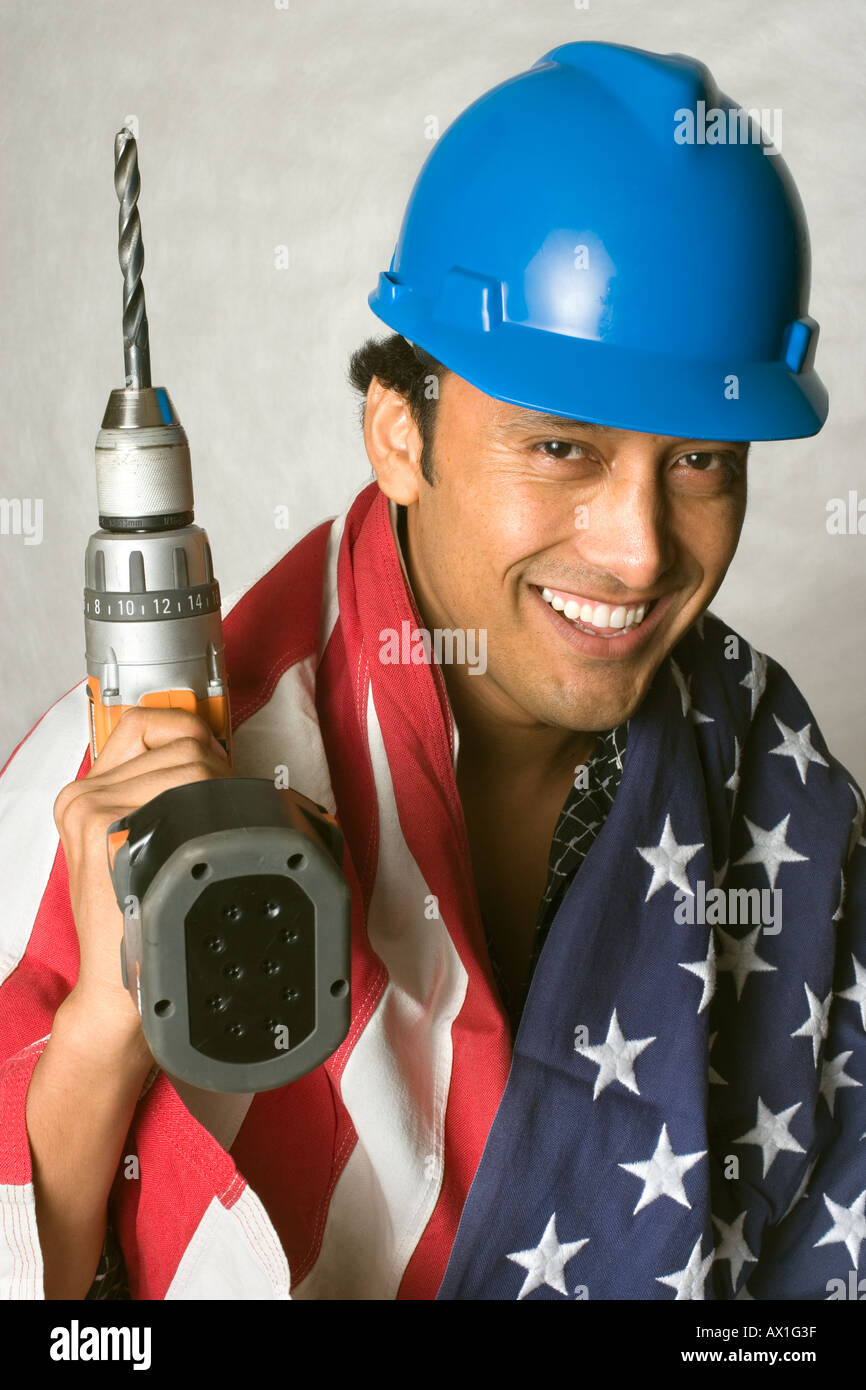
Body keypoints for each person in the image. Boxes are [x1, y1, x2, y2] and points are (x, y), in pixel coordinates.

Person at [1, 40, 863, 1302]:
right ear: (399, 433)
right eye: (562, 447)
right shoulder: (110, 783)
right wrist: (97, 1040)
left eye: (699, 461)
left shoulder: (764, 773)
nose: (635, 553)